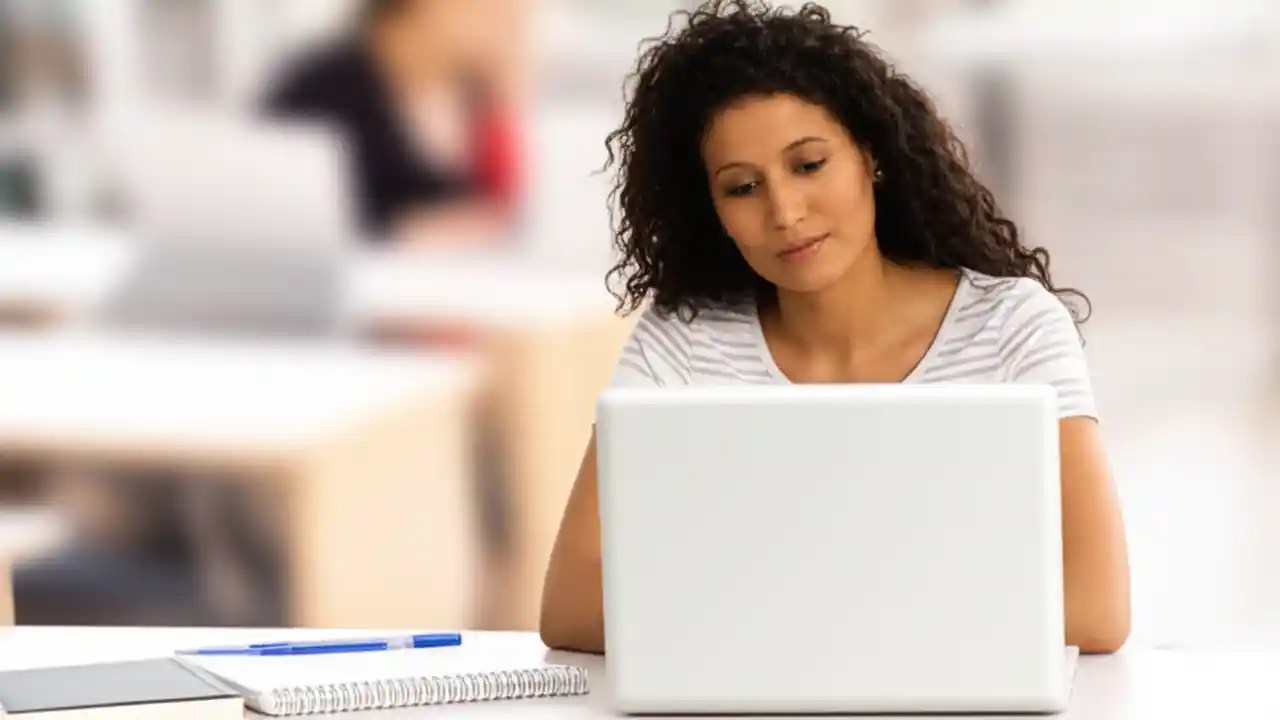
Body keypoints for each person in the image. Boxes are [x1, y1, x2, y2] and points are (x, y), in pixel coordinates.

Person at [540, 0, 1131, 655]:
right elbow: (570, 606)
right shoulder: (684, 342)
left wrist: (755, 615)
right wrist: (908, 615)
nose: (785, 212)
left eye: (809, 164)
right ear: (709, 207)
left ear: (870, 155)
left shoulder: (1013, 327)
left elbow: (1096, 608)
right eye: (742, 187)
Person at [262, 0, 524, 242]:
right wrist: (408, 236)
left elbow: (501, 221)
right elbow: (274, 222)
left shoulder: (476, 98)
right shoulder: (319, 88)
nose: (499, 11)